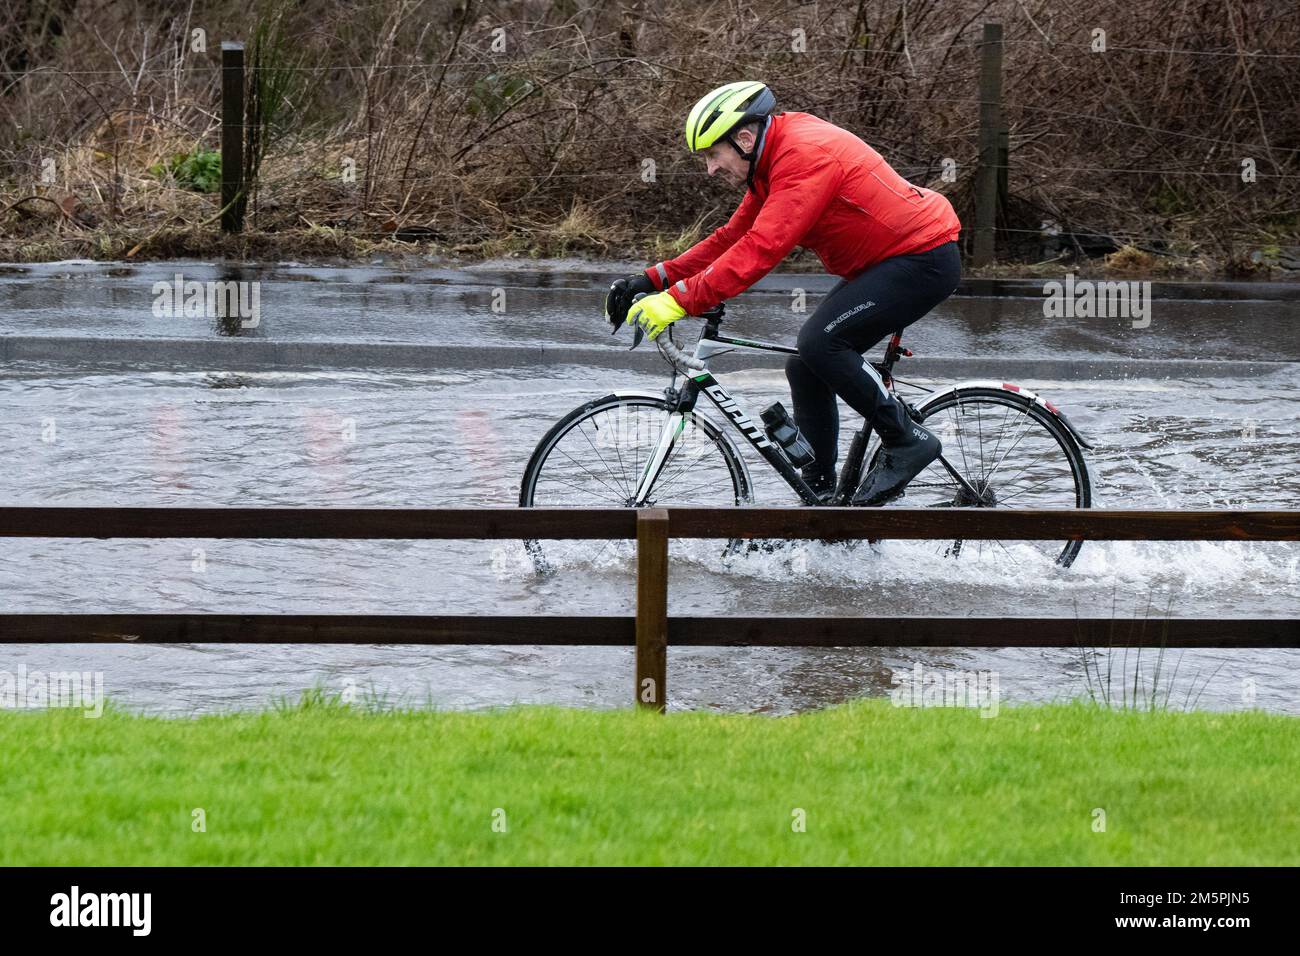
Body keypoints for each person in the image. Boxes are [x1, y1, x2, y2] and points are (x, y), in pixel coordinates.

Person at [604, 81, 962, 506]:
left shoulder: (803, 158)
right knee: (805, 365)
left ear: (744, 138)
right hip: (887, 259)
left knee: (821, 343)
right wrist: (653, 280)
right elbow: (733, 237)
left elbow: (762, 250)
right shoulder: (771, 159)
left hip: (922, 258)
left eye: (713, 155)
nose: (711, 169)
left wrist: (679, 301)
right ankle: (820, 493)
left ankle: (907, 441)